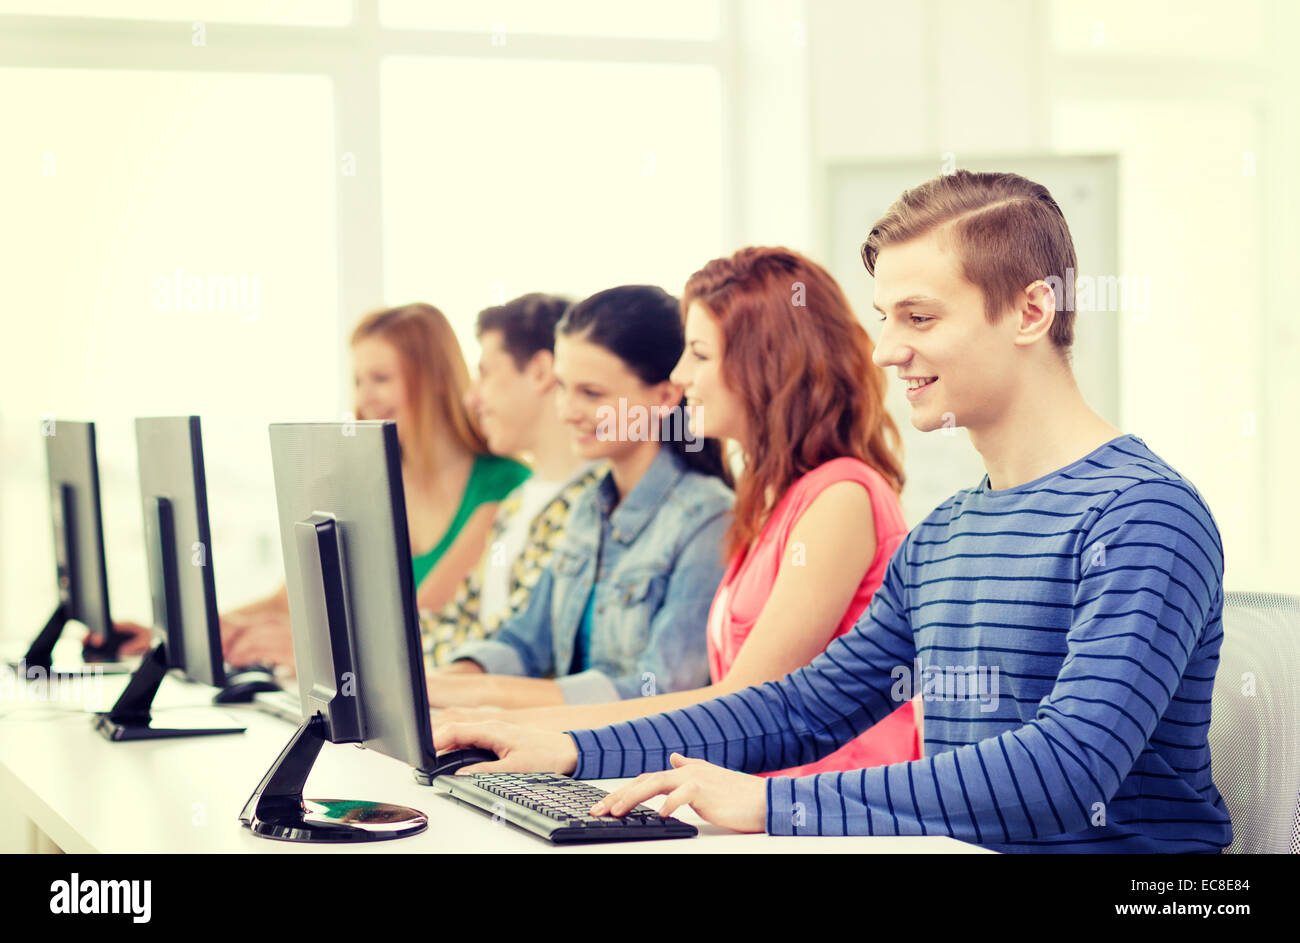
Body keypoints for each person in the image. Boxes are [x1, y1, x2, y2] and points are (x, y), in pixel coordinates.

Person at [433, 170, 1233, 854]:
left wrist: (772, 806)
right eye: (886, 318)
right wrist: (572, 748)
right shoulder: (949, 531)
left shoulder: (1143, 515)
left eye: (919, 317)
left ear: (1030, 311)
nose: (887, 349)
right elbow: (805, 707)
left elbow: (1066, 769)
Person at [437, 247, 921, 776]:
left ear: (768, 364)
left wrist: (531, 729)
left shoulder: (840, 500)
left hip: (818, 817)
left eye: (699, 354)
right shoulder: (772, 504)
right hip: (747, 801)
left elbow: (743, 706)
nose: (681, 373)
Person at [102, 302, 529, 672]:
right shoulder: (362, 485)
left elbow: (421, 617)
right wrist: (178, 635)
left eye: (381, 378)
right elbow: (286, 601)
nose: (365, 397)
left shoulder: (505, 485)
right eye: (359, 380)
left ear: (436, 379)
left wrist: (300, 642)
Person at [426, 285, 734, 709]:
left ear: (665, 397)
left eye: (592, 394)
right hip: (569, 755)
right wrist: (444, 682)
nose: (567, 411)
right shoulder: (588, 506)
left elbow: (662, 689)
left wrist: (486, 692)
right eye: (562, 388)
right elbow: (524, 640)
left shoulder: (708, 518)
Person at [428, 293, 604, 664]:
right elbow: (458, 620)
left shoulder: (597, 501)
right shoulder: (516, 501)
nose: (472, 398)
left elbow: (511, 646)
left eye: (486, 372)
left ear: (541, 371)